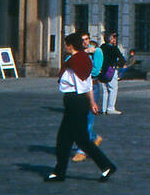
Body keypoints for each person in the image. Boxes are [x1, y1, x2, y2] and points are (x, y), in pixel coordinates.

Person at [47, 32, 117, 182]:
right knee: (66, 140)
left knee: (80, 140)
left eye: (66, 44)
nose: (64, 47)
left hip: (75, 101)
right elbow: (88, 83)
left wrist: (89, 102)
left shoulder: (76, 61)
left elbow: (82, 85)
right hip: (77, 101)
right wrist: (91, 102)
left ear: (70, 45)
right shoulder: (82, 58)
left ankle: (107, 166)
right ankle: (59, 172)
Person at [69, 31, 105, 162]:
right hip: (77, 89)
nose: (85, 42)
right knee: (77, 120)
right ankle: (94, 138)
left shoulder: (97, 52)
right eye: (83, 39)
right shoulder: (78, 52)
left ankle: (82, 150)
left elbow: (95, 71)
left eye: (87, 39)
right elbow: (68, 63)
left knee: (87, 119)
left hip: (92, 87)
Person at [97, 31, 125, 115]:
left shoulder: (102, 47)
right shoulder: (114, 48)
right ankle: (111, 108)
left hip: (102, 71)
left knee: (105, 90)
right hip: (111, 70)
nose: (115, 39)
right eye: (114, 37)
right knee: (113, 89)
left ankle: (103, 108)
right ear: (111, 39)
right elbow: (122, 59)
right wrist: (117, 65)